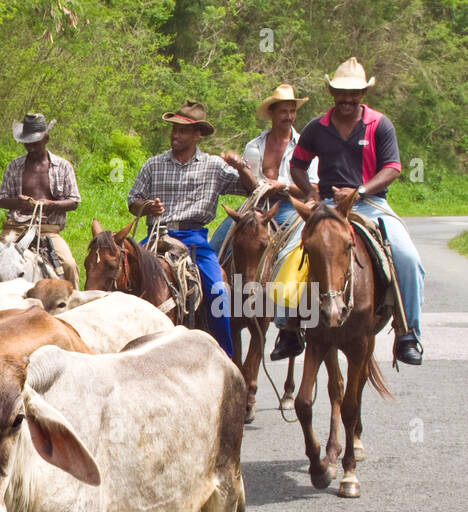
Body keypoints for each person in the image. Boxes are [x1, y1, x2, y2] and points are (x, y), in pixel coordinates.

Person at [273, 57, 425, 366]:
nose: (347, 98)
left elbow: (393, 167)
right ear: (332, 93)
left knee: (408, 258)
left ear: (363, 94)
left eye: (353, 93)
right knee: (288, 252)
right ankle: (288, 327)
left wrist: (361, 191)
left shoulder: (380, 124)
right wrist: (313, 193)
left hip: (371, 202)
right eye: (341, 92)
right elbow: (297, 165)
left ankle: (407, 333)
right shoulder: (317, 127)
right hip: (328, 204)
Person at [126, 101, 261, 357]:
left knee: (219, 292)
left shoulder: (213, 166)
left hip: (194, 238)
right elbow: (133, 200)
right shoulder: (153, 165)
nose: (175, 135)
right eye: (174, 130)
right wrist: (146, 207)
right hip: (157, 235)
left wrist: (241, 167)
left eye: (183, 131)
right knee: (122, 278)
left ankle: (224, 358)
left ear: (197, 134)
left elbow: (250, 189)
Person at [209, 84, 319, 254]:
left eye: (292, 111)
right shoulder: (254, 146)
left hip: (290, 207)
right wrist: (241, 169)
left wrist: (283, 186)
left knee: (294, 251)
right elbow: (249, 187)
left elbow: (313, 189)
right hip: (256, 205)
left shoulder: (305, 146)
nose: (289, 116)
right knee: (217, 244)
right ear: (271, 113)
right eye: (283, 111)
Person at [0, 112, 82, 287]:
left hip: (47, 229)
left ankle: (72, 305)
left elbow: (74, 201)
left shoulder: (63, 166)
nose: (31, 149)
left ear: (46, 140)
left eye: (35, 144)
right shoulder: (14, 166)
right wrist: (18, 203)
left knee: (70, 265)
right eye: (28, 145)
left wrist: (50, 204)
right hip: (16, 227)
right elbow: (1, 199)